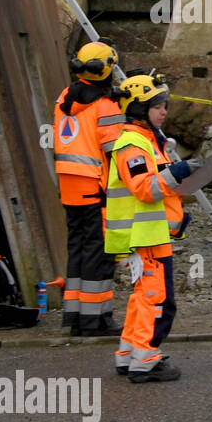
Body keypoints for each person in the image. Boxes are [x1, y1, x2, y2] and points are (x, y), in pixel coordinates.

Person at [106, 75, 196, 383]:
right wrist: (179, 172)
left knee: (144, 298)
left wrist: (178, 221)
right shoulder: (133, 144)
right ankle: (146, 361)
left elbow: (159, 192)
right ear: (138, 109)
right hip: (144, 240)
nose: (163, 111)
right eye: (156, 106)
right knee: (157, 301)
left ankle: (129, 354)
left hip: (152, 237)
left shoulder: (147, 141)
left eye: (164, 105)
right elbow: (145, 189)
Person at [52, 41, 126, 337]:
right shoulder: (105, 105)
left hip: (69, 185)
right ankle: (96, 320)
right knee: (99, 252)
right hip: (95, 184)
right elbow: (115, 150)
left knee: (78, 249)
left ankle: (75, 317)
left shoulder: (65, 96)